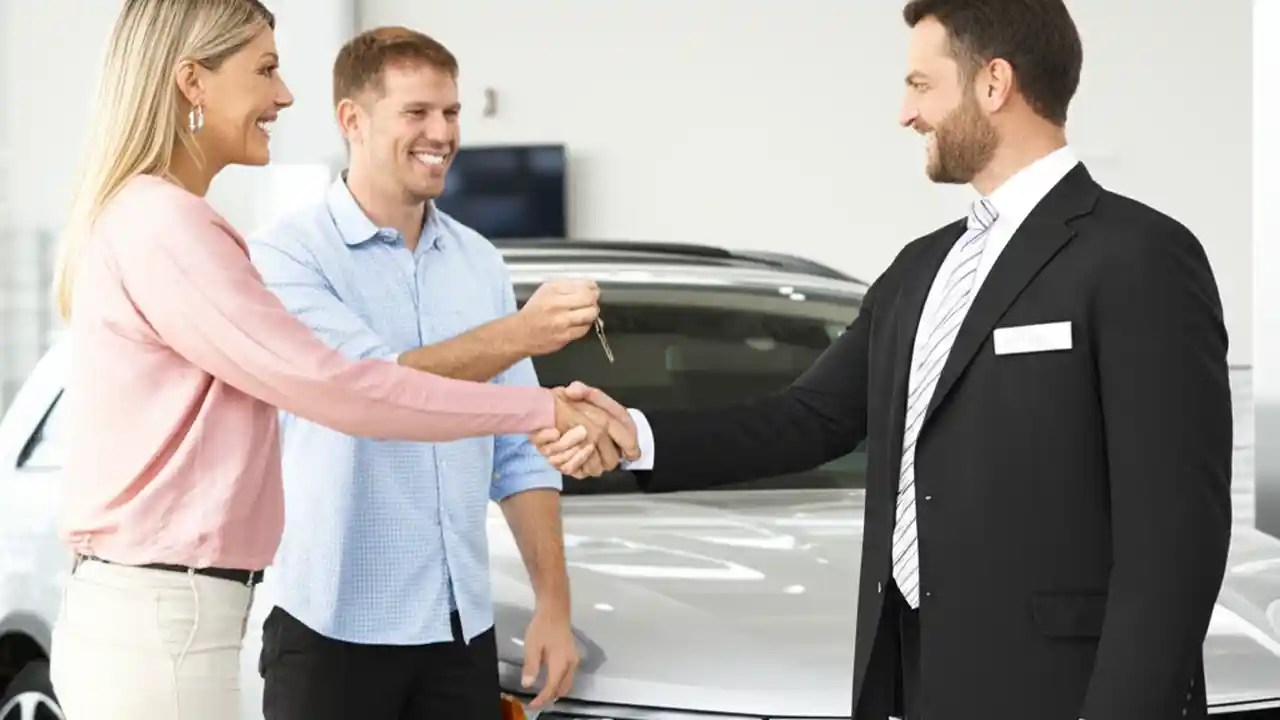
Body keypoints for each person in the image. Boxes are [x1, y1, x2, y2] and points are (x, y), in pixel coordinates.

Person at [537, 1, 1233, 718]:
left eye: (921, 85)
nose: (906, 113)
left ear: (994, 84)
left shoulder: (1140, 256)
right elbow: (807, 420)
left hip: (1062, 692)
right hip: (916, 681)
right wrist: (635, 435)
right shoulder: (918, 270)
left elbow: (1175, 534)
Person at [48, 3, 617, 719]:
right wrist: (540, 399)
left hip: (188, 615)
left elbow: (477, 443)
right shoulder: (188, 230)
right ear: (192, 82)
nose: (284, 95)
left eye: (452, 111)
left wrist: (552, 597)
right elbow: (352, 393)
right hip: (191, 620)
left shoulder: (159, 219)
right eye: (265, 69)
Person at [246, 27, 598, 719]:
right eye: (417, 112)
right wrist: (521, 334)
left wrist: (554, 607)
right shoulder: (288, 257)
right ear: (352, 119)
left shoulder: (478, 261)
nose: (441, 132)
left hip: (456, 627)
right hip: (331, 629)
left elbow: (518, 452)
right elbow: (372, 385)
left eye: (452, 112)